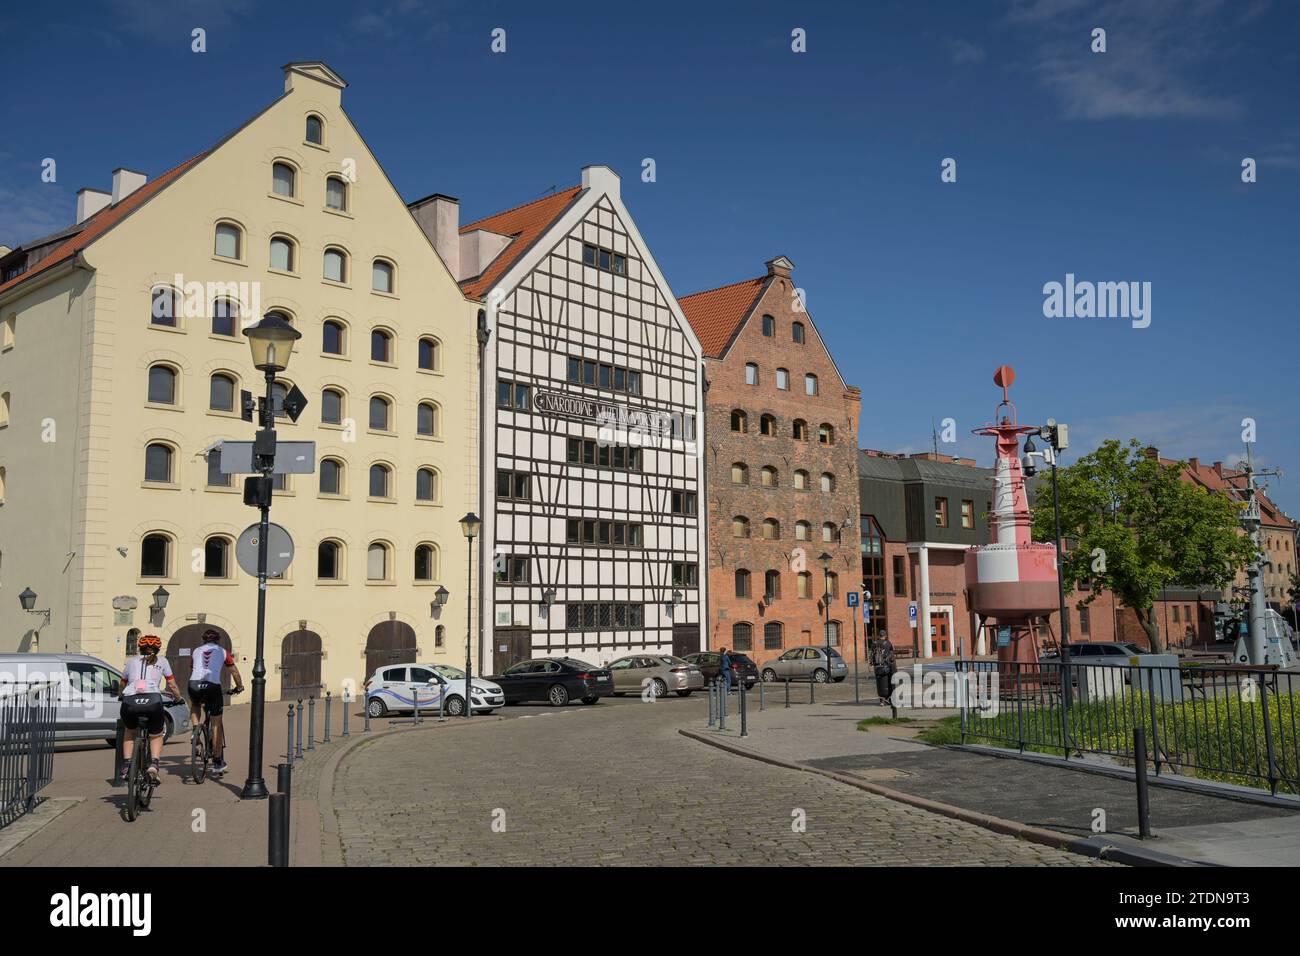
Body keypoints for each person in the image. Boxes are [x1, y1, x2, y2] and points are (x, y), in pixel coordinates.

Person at [119, 634, 182, 782]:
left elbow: (122, 684)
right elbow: (172, 685)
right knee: (156, 734)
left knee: (130, 731)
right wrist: (178, 698)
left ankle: (127, 765)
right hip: (153, 701)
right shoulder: (163, 661)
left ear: (139, 648)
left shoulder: (131, 662)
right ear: (158, 649)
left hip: (130, 702)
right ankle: (154, 765)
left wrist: (120, 695)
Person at [187, 629, 244, 775]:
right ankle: (218, 762)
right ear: (217, 640)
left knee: (195, 704)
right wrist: (239, 686)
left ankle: (195, 729)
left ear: (203, 640)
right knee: (216, 724)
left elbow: (193, 668)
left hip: (194, 685)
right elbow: (234, 672)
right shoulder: (223, 651)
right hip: (213, 686)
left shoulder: (196, 651)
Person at [871, 633, 897, 712]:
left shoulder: (874, 643)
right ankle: (889, 700)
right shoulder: (888, 643)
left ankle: (882, 701)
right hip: (886, 667)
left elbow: (871, 655)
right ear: (885, 636)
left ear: (879, 636)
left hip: (877, 667)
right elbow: (892, 653)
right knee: (889, 683)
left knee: (880, 684)